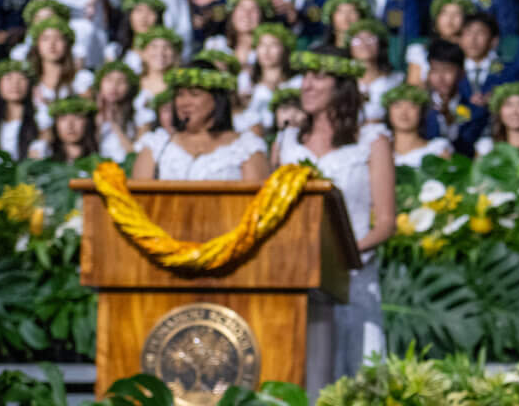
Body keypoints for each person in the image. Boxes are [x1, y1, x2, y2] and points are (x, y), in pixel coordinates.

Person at [289, 51, 394, 375]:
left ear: (341, 86)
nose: (307, 84)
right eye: (305, 76)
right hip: (299, 276)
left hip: (353, 275)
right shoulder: (287, 140)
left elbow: (387, 222)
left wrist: (342, 253)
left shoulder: (371, 141)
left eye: (318, 76)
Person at [130, 67, 268, 181]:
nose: (184, 102)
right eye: (180, 95)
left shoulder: (247, 147)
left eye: (194, 94)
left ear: (216, 100)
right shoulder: (157, 145)